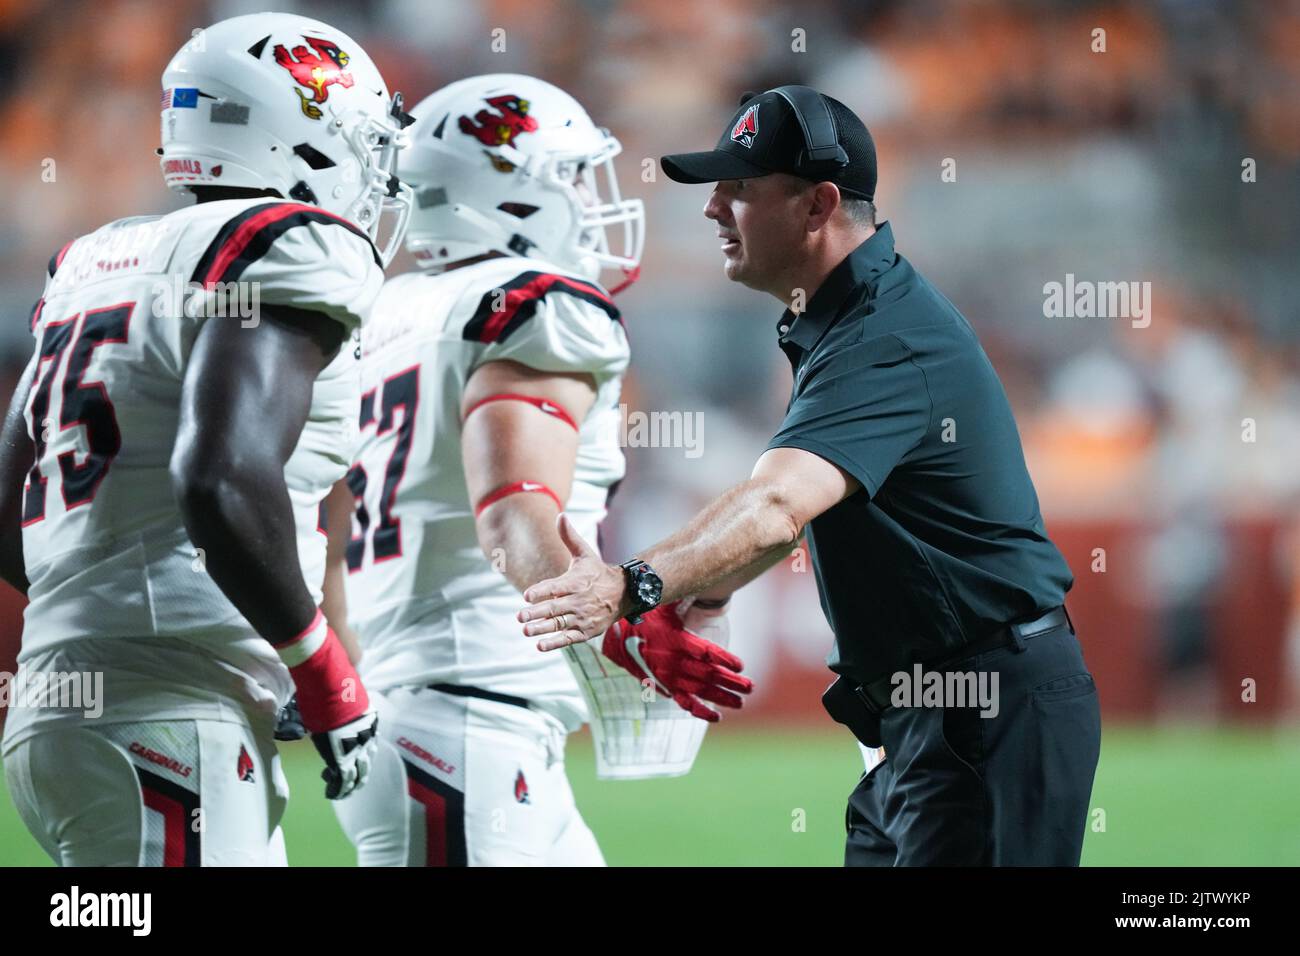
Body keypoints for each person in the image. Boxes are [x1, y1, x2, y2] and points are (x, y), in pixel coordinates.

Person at [518, 86, 1101, 866]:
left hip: (985, 707)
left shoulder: (882, 337)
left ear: (818, 204)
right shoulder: (850, 317)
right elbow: (795, 497)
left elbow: (777, 505)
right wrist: (707, 591)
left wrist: (632, 586)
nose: (712, 208)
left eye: (740, 188)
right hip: (932, 714)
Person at [0, 12, 413, 866]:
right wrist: (319, 665)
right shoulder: (284, 244)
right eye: (361, 140)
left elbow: (13, 511)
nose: (374, 170)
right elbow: (220, 477)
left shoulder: (90, 259)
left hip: (56, 714)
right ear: (295, 131)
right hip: (171, 716)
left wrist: (111, 606)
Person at [321, 74, 750, 867]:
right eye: (574, 178)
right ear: (513, 192)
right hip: (467, 727)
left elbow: (332, 520)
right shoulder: (532, 304)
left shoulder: (387, 311)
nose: (592, 201)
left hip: (431, 718)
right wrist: (621, 619)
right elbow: (514, 513)